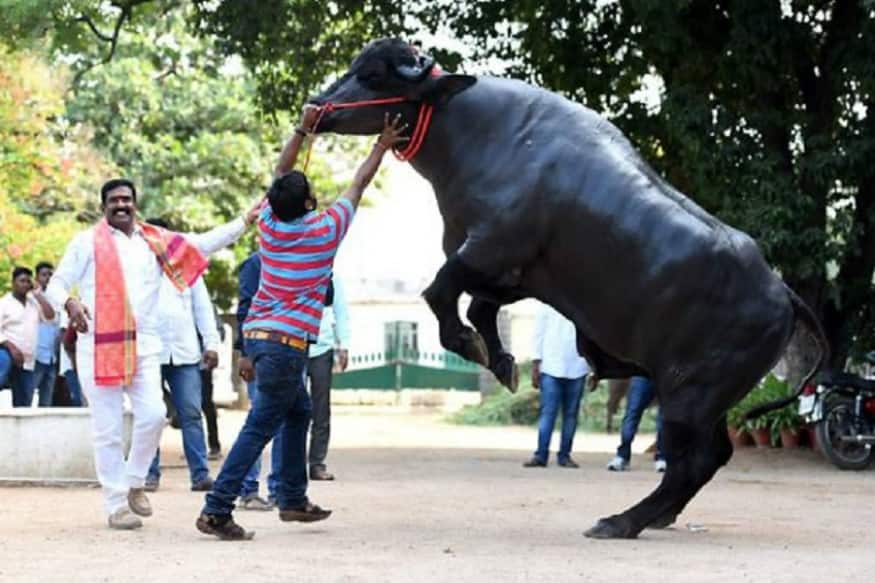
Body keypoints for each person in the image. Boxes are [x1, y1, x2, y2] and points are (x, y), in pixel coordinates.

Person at [196, 106, 407, 541]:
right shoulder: (326, 231)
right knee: (261, 426)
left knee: (300, 411)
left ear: (273, 204)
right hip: (287, 347)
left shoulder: (269, 227)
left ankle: (291, 498)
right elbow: (358, 182)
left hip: (259, 338)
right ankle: (217, 509)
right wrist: (382, 145)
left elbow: (282, 169)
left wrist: (302, 129)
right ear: (310, 204)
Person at [46, 178, 258, 531]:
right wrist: (70, 303)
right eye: (114, 200)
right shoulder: (86, 243)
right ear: (104, 207)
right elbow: (56, 283)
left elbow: (202, 243)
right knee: (108, 429)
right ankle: (116, 504)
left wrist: (244, 220)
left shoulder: (155, 241)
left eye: (126, 199)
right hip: (98, 345)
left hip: (145, 344)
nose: (121, 205)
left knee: (155, 415)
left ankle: (134, 481)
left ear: (135, 203)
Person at [144, 218, 221, 492]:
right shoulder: (138, 270)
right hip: (149, 353)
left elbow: (203, 308)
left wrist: (211, 343)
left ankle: (200, 475)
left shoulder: (186, 268)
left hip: (185, 353)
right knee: (151, 415)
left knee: (191, 412)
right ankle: (148, 474)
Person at [523, 303, 590, 468]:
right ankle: (541, 455)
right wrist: (536, 363)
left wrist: (592, 366)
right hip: (551, 365)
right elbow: (538, 334)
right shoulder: (547, 302)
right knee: (548, 414)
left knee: (570, 415)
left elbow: (590, 336)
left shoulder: (584, 303)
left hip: (578, 366)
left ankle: (564, 455)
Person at [306, 273, 350, 481]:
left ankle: (316, 464)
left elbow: (341, 312)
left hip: (322, 349)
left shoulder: (332, 278)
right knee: (293, 409)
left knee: (321, 409)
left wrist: (344, 346)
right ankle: (293, 464)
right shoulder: (294, 268)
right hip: (294, 346)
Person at [0, 267, 55, 406]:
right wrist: (12, 348)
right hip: (6, 355)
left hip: (28, 361)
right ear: (13, 283)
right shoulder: (4, 303)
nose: (25, 284)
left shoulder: (34, 304)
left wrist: (38, 294)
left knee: (24, 404)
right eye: (21, 281)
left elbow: (50, 317)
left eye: (28, 281)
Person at [606, 376, 666, 472]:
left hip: (665, 375)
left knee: (663, 418)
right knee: (632, 414)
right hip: (642, 374)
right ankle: (622, 456)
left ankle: (662, 457)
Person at [32, 261, 60, 407]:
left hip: (51, 358)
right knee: (27, 399)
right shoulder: (31, 299)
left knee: (46, 403)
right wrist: (39, 296)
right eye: (44, 275)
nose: (48, 278)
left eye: (51, 274)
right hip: (36, 356)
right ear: (36, 278)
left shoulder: (58, 299)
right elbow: (50, 317)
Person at [201, 303, 225, 460]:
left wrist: (210, 346)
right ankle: (196, 448)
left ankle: (214, 445)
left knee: (206, 404)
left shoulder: (207, 305)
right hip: (180, 360)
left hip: (203, 362)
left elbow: (220, 331)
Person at [59, 312, 84, 406]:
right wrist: (75, 363)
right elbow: (66, 342)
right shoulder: (68, 310)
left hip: (86, 365)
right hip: (71, 366)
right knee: (78, 401)